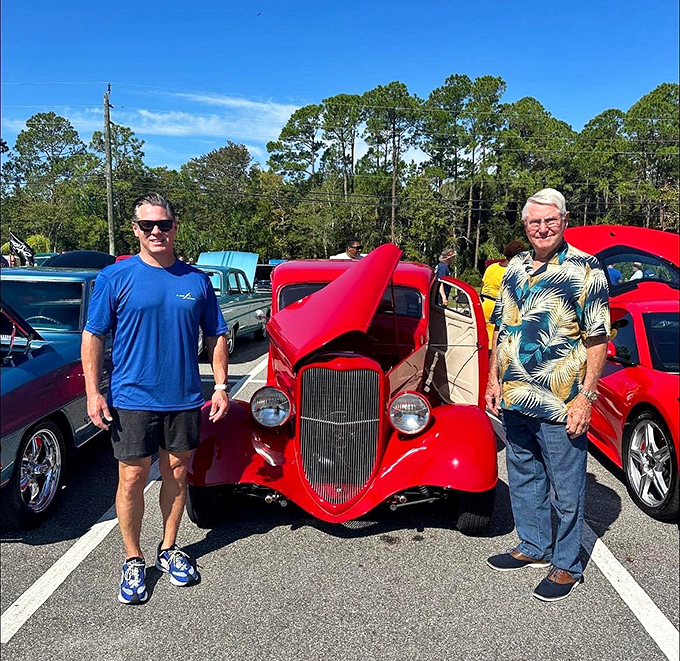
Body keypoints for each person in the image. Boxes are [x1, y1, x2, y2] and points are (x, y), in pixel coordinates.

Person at [81, 193, 230, 605]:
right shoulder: (116, 278)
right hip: (132, 397)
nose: (156, 232)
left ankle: (168, 549)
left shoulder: (196, 281)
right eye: (147, 226)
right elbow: (93, 335)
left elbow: (216, 334)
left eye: (163, 224)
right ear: (136, 229)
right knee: (131, 479)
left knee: (177, 475)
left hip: (182, 397)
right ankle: (133, 557)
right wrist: (93, 393)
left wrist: (219, 386)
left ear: (175, 227)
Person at [485, 188, 610, 603]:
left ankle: (567, 565)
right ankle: (535, 546)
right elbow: (502, 329)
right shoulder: (515, 268)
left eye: (549, 221)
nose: (542, 228)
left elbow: (597, 339)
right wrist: (492, 381)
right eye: (534, 222)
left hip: (561, 401)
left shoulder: (586, 269)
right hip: (516, 395)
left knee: (567, 484)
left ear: (564, 220)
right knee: (523, 472)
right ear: (525, 225)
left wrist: (586, 398)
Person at [480, 241, 527, 348]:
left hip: (483, 305)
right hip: (496, 307)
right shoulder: (511, 271)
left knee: (482, 338)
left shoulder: (491, 267)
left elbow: (483, 285)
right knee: (494, 341)